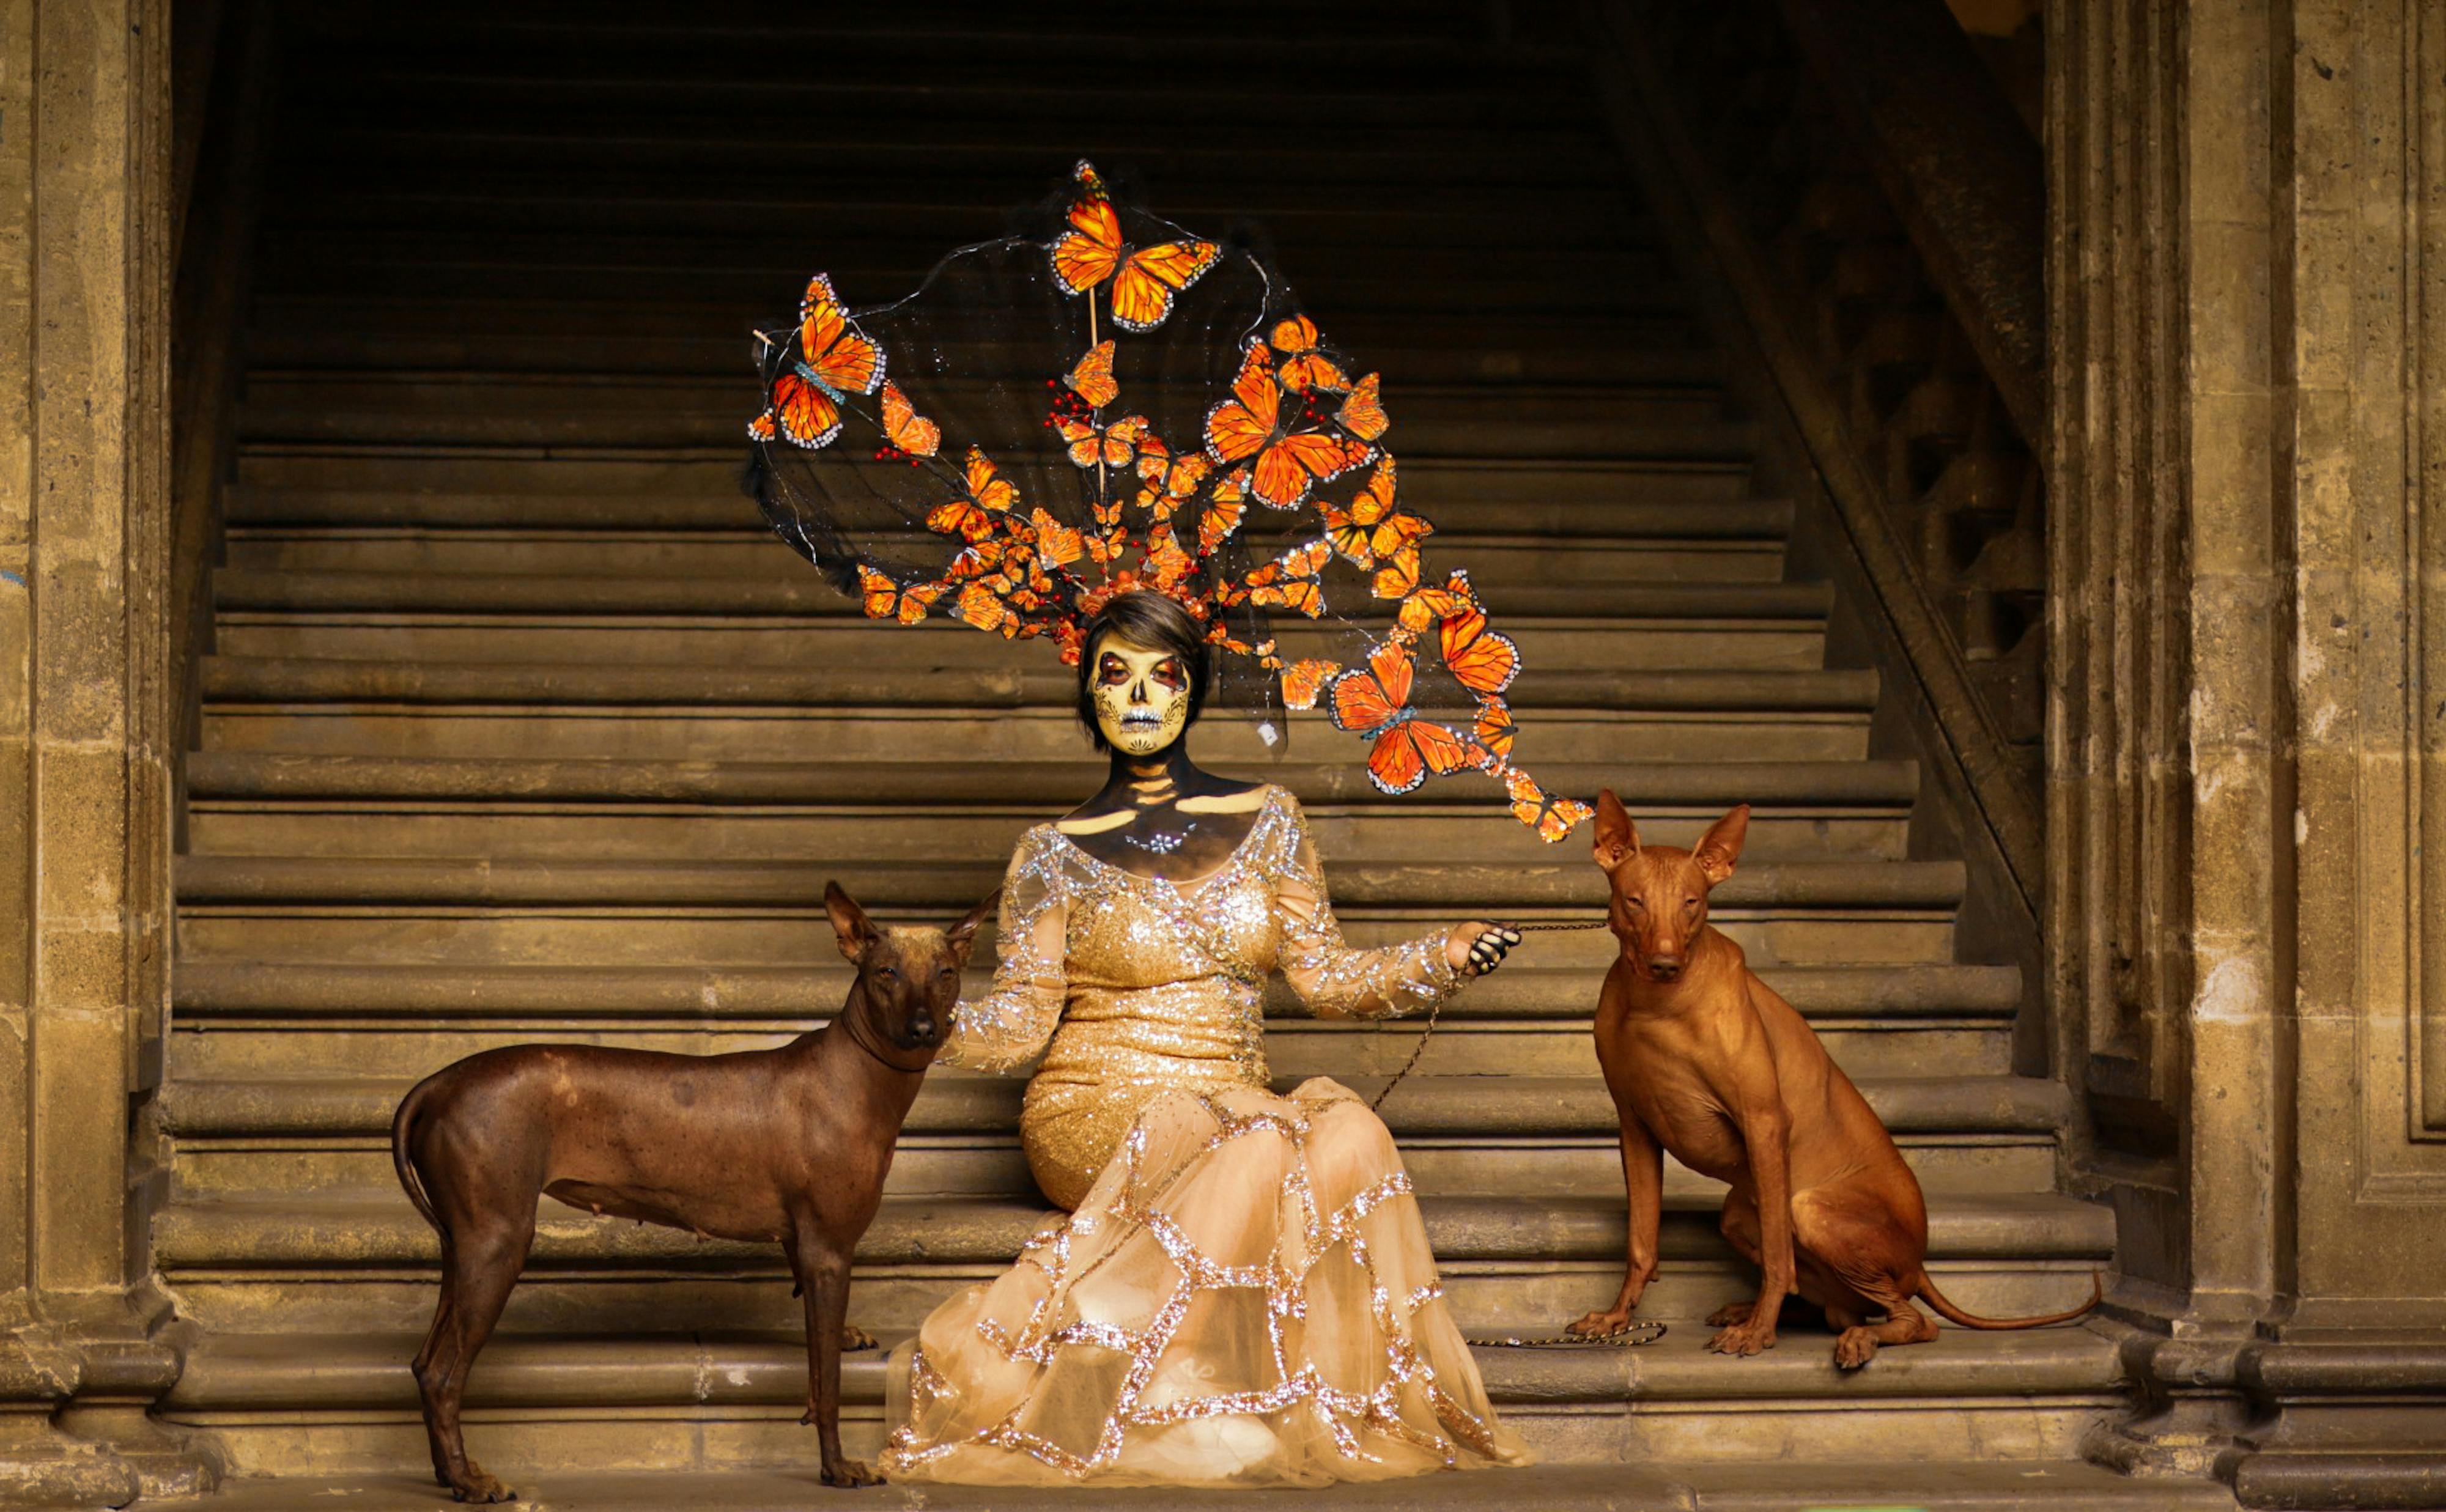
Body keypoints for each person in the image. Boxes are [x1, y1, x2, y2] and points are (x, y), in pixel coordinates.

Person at [880, 589, 1531, 1488]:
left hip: (1234, 1108)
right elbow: (1023, 1020)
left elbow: (1324, 978)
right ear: (1088, 693)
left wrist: (1441, 955)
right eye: (1117, 674)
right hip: (1096, 1109)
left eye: (1164, 675)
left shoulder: (1271, 819)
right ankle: (1138, 1357)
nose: (1140, 696)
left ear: (1194, 688)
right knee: (1257, 1142)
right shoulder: (1051, 852)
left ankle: (1265, 1387)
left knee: (1348, 1133)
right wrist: (923, 1021)